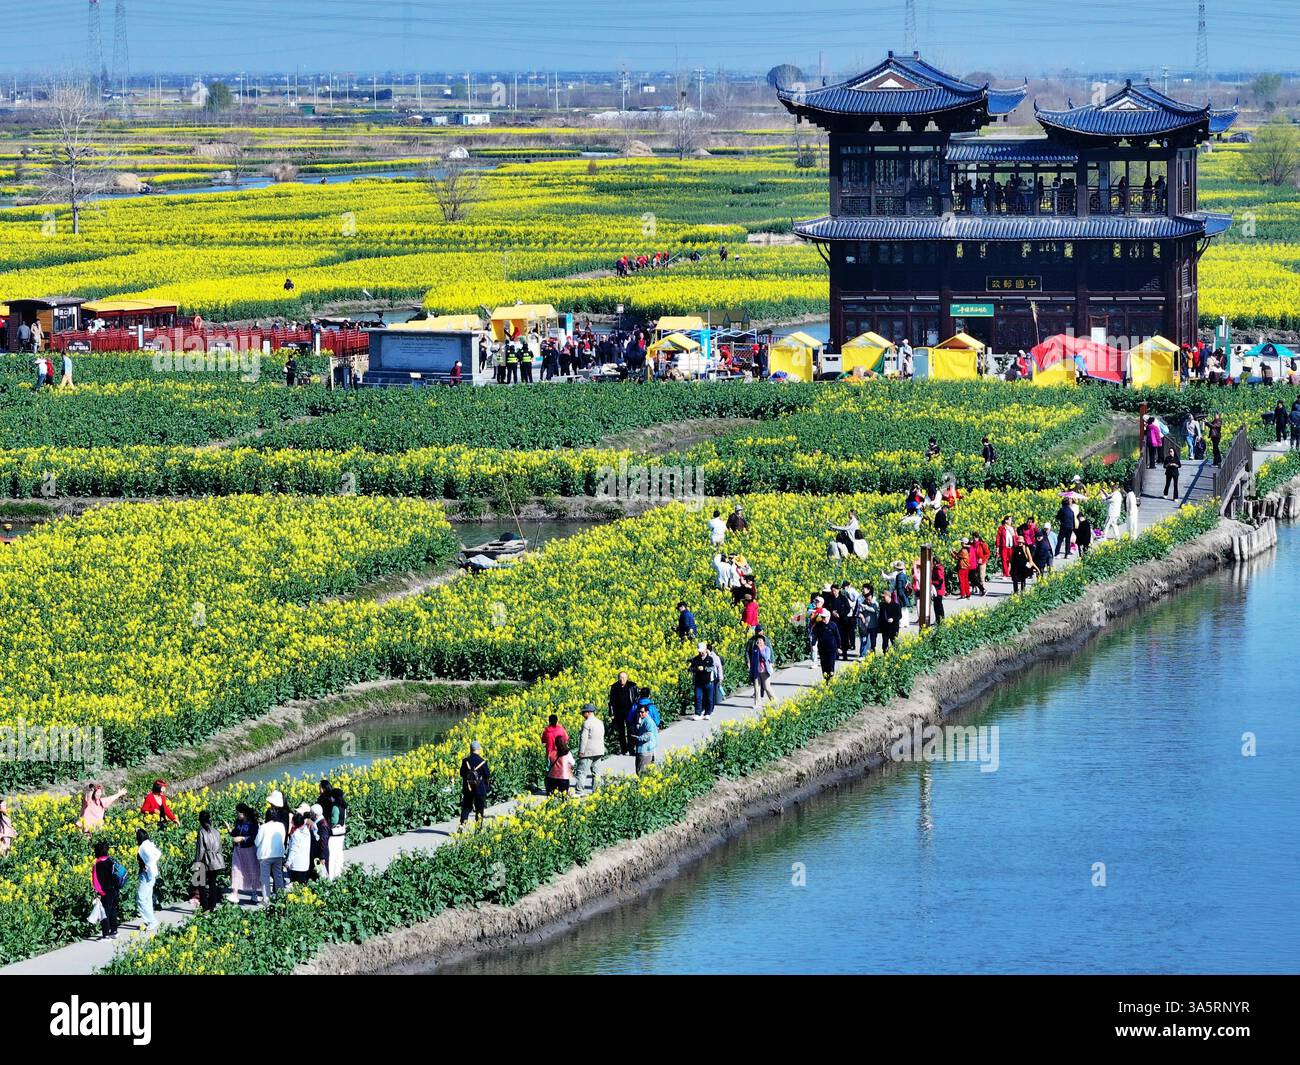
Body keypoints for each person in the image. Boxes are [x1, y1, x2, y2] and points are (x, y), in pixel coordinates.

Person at [254, 797, 287, 901]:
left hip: (265, 856)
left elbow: (257, 842)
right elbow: (283, 838)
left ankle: (266, 899)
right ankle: (280, 897)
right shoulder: (281, 825)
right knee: (278, 876)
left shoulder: (263, 827)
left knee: (265, 879)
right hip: (278, 855)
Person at [193, 810, 226, 911]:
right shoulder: (216, 831)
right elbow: (220, 847)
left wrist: (197, 863)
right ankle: (213, 906)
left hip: (205, 860)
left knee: (201, 884)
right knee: (213, 883)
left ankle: (205, 907)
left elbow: (201, 849)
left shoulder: (201, 832)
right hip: (217, 860)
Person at [228, 803, 260, 903]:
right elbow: (235, 833)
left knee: (252, 870)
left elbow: (253, 837)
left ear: (244, 813)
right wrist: (229, 830)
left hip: (249, 850)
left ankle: (254, 893)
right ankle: (234, 893)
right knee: (236, 869)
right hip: (238, 850)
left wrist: (242, 839)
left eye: (238, 813)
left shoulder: (253, 824)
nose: (237, 814)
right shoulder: (238, 822)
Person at [91, 840, 123, 939]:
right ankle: (114, 931)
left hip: (105, 891)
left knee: (104, 913)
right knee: (113, 910)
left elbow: (96, 881)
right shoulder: (111, 861)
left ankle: (105, 935)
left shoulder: (98, 864)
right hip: (115, 890)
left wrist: (99, 893)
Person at [575, 703, 605, 795]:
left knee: (581, 772)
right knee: (596, 772)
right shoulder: (600, 722)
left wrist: (581, 751)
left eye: (583, 713)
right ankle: (597, 791)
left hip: (588, 751)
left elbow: (583, 739)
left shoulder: (587, 723)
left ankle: (579, 791)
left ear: (588, 712)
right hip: (599, 750)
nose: (582, 715)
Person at [135, 828, 161, 932]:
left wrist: (148, 866)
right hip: (151, 875)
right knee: (147, 899)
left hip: (146, 875)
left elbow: (151, 858)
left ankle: (151, 921)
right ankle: (150, 920)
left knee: (140, 898)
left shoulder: (143, 847)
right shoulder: (149, 844)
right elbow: (158, 854)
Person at [459, 741, 490, 825]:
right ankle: (478, 830)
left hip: (468, 788)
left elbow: (461, 773)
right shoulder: (482, 762)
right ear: (479, 749)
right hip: (480, 789)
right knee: (479, 810)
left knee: (466, 807)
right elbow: (487, 775)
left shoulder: (465, 761)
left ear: (470, 749)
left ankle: (462, 825)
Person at [607, 671, 638, 756]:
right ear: (618, 678)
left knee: (630, 731)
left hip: (630, 712)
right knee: (621, 732)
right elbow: (611, 702)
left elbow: (636, 699)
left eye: (623, 678)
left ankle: (631, 749)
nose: (622, 679)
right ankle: (624, 749)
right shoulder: (614, 687)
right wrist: (612, 714)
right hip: (619, 713)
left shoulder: (632, 686)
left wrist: (637, 711)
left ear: (627, 678)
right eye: (620, 678)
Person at [285, 810, 315, 884]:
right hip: (305, 863)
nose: (291, 823)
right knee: (302, 885)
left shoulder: (296, 834)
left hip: (297, 864)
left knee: (296, 885)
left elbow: (293, 850)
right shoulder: (306, 831)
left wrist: (288, 862)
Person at [690, 643, 716, 720]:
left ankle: (707, 713)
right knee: (698, 697)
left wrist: (704, 668)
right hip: (698, 682)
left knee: (709, 699)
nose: (701, 653)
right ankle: (698, 713)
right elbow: (691, 669)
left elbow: (712, 668)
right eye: (699, 651)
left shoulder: (710, 659)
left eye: (702, 651)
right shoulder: (695, 659)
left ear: (705, 650)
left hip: (708, 682)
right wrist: (697, 668)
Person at [748, 633, 774, 709]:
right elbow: (753, 661)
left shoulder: (767, 649)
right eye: (758, 640)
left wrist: (761, 650)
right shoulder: (754, 649)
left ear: (763, 642)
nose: (759, 642)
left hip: (765, 671)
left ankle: (774, 701)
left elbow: (766, 658)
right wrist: (751, 670)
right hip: (757, 671)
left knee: (767, 687)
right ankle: (757, 703)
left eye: (760, 640)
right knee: (756, 687)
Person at [632, 703, 658, 775]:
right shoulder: (643, 720)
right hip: (644, 749)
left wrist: (637, 738)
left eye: (642, 712)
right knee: (643, 771)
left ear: (647, 712)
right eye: (639, 712)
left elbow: (649, 735)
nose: (640, 714)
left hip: (645, 750)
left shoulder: (648, 721)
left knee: (641, 772)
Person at [814, 611, 840, 681]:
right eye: (822, 617)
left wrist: (838, 647)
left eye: (824, 617)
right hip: (822, 648)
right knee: (824, 664)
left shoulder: (833, 625)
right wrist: (813, 643)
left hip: (832, 648)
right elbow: (815, 634)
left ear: (829, 617)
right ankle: (826, 680)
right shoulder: (818, 625)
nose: (823, 619)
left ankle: (831, 679)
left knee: (831, 664)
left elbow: (837, 636)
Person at [857, 587, 880, 653]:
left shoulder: (875, 604)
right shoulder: (863, 603)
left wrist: (865, 607)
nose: (868, 601)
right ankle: (862, 655)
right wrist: (861, 616)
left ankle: (873, 654)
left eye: (870, 599)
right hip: (865, 626)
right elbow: (858, 613)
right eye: (867, 599)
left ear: (872, 598)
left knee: (873, 642)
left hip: (873, 626)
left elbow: (873, 610)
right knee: (864, 641)